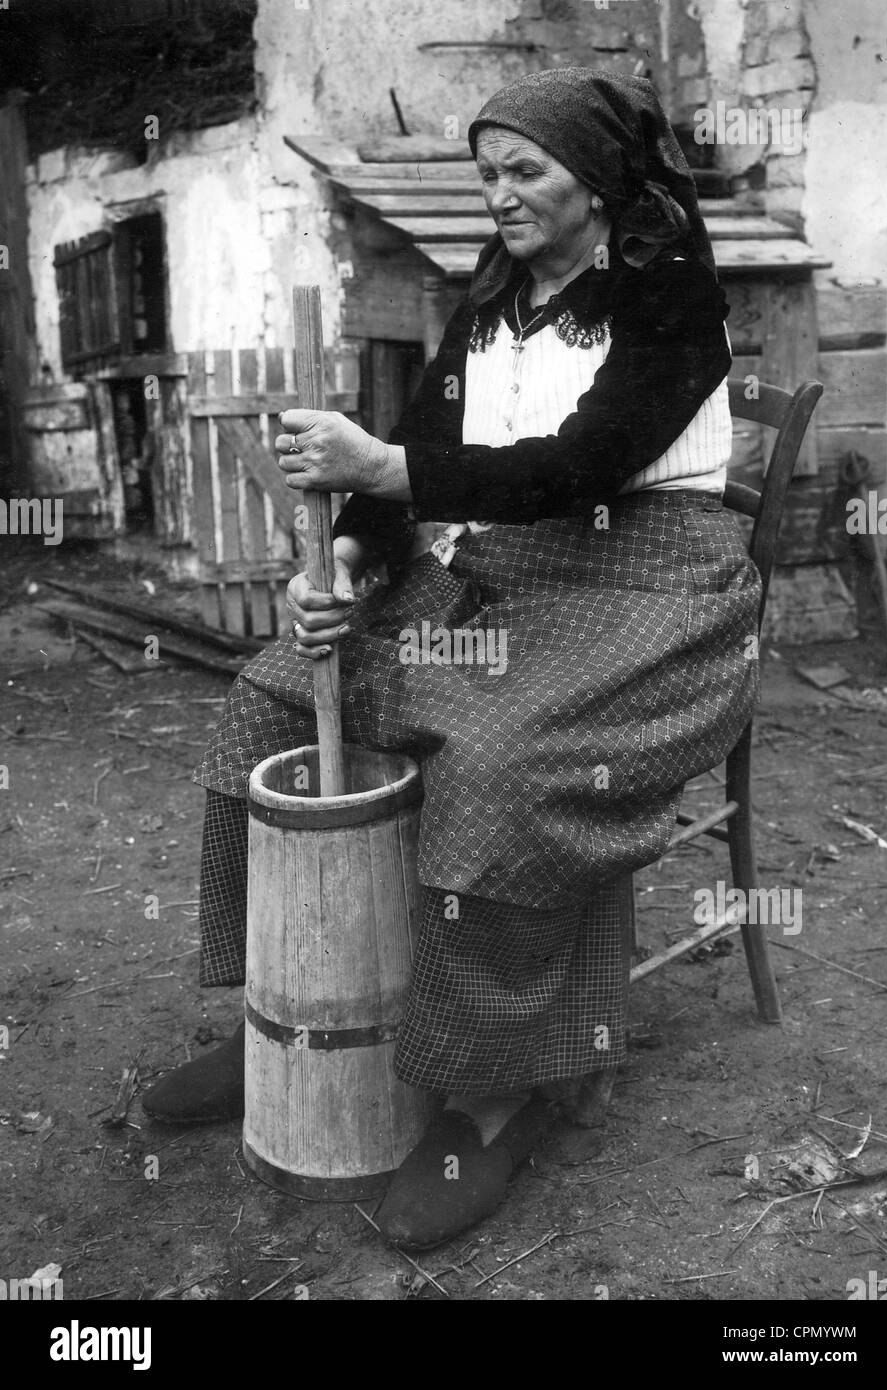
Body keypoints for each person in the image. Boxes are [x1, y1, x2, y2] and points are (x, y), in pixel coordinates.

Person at [143, 68, 761, 1252]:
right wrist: (344, 566)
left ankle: (494, 1094)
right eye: (488, 174)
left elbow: (575, 465)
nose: (500, 195)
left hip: (655, 588)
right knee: (268, 696)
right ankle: (291, 1016)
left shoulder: (669, 296)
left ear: (598, 179)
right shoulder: (491, 301)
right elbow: (426, 455)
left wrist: (384, 473)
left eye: (523, 170)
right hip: (507, 571)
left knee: (498, 758)